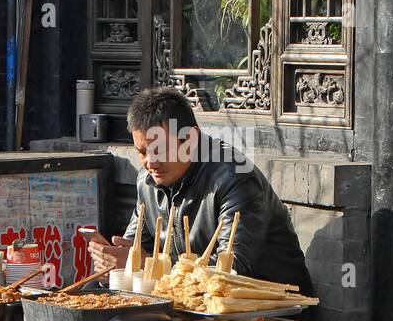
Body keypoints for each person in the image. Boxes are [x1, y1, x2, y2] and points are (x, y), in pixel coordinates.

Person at [87, 87, 314, 297]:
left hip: (268, 308)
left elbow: (233, 268)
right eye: (142, 152)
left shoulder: (233, 178)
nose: (151, 162)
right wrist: (112, 263)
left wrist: (148, 264)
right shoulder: (147, 182)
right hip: (187, 303)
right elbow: (135, 249)